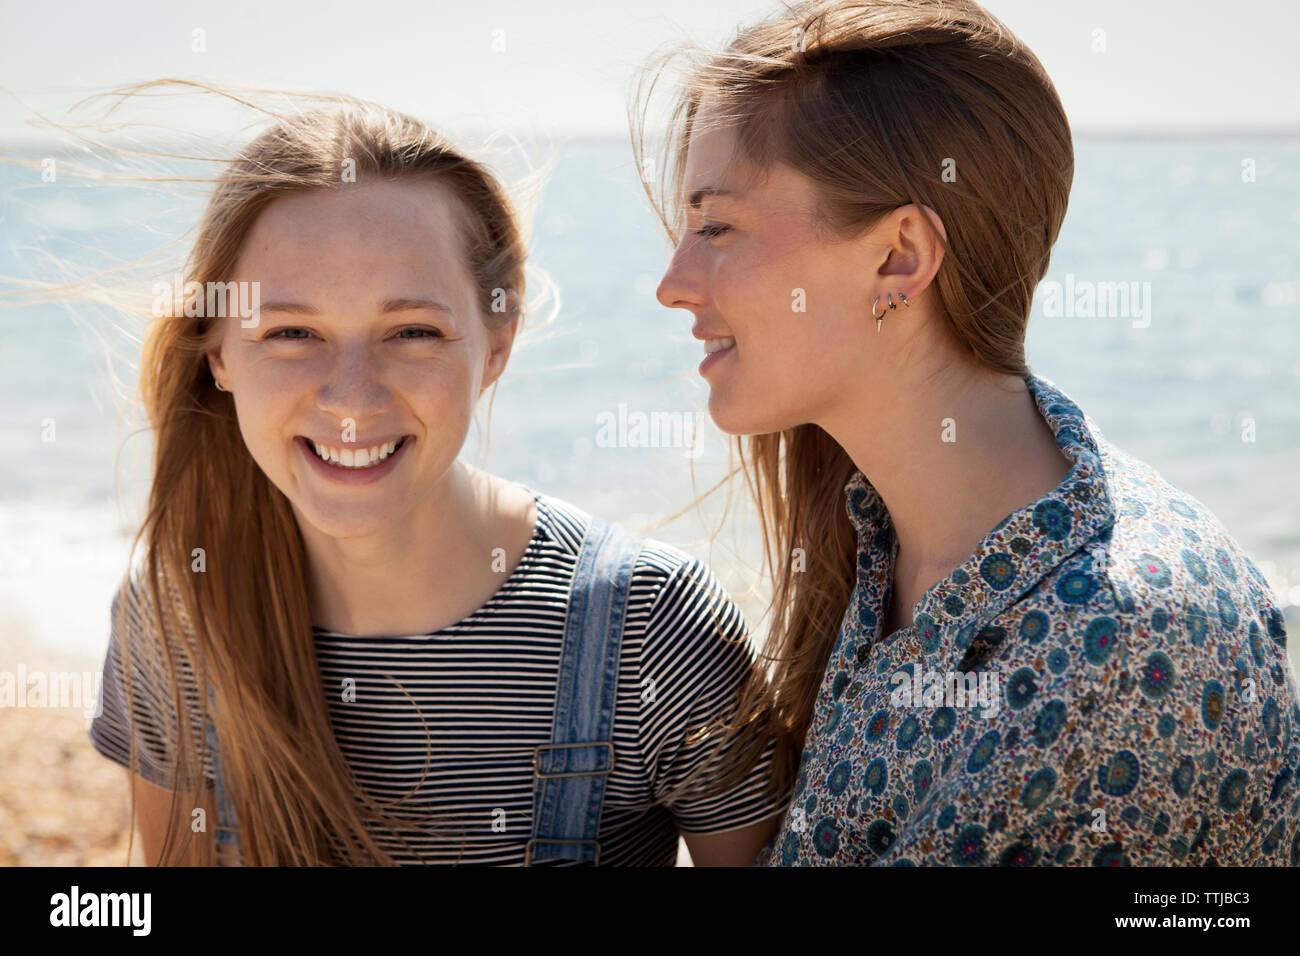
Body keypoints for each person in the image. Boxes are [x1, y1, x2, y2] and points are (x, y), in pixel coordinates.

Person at [636, 0, 1300, 865]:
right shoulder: (887, 543)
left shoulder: (1121, 642)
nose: (673, 283)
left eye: (716, 226)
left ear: (899, 257)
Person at [88, 91, 789, 865]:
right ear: (218, 352)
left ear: (496, 344)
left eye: (412, 331)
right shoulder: (175, 621)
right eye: (292, 333)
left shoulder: (650, 630)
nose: (352, 396)